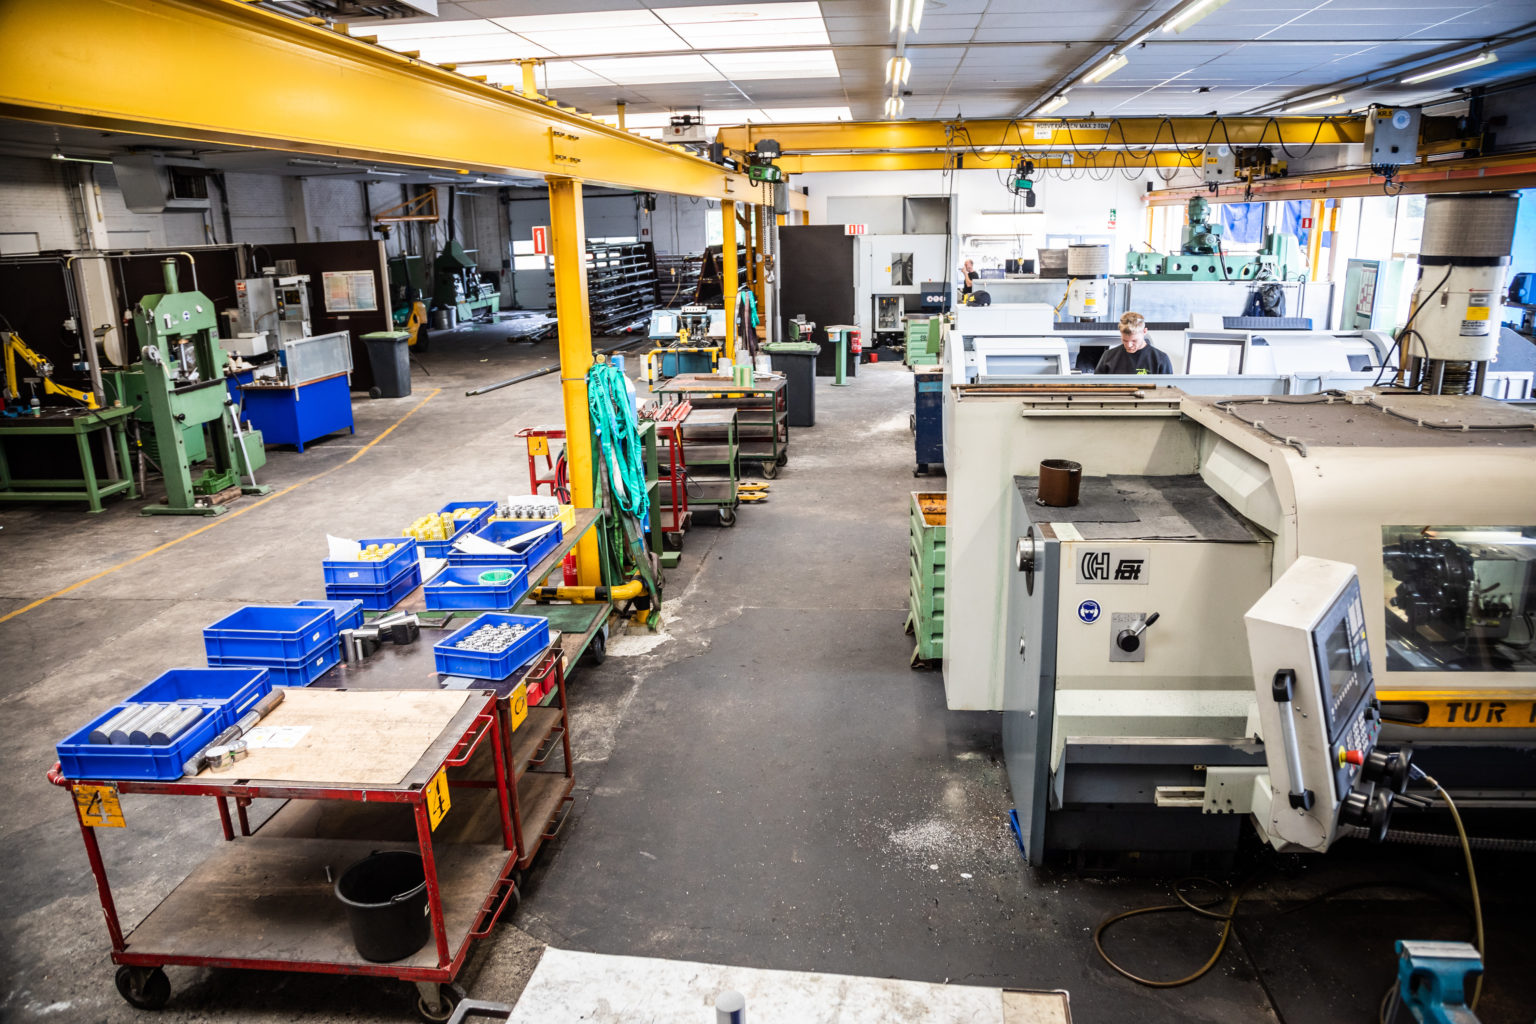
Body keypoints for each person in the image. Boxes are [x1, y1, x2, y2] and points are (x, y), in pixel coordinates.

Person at [1095, 311, 1171, 375]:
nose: (1129, 345)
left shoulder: (1160, 359)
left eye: (1134, 341)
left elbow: (1168, 390)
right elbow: (1095, 387)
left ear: (1144, 331)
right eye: (1125, 340)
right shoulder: (1108, 356)